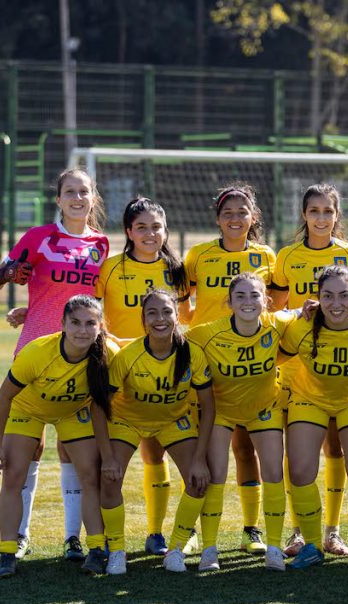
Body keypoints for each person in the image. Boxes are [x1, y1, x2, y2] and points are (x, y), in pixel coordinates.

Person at [0, 167, 110, 563]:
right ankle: (18, 536)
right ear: (58, 199)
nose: (77, 198)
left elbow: (93, 300)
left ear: (93, 198)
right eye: (69, 191)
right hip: (36, 352)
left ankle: (73, 539)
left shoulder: (102, 245)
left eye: (84, 191)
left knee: (75, 453)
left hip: (82, 355)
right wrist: (6, 276)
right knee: (30, 450)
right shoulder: (39, 238)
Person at [0, 295, 115, 578]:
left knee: (91, 476)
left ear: (100, 325)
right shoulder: (38, 352)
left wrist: (107, 456)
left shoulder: (109, 352)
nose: (82, 330)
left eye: (90, 323)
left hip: (73, 413)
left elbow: (101, 404)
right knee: (13, 475)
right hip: (28, 409)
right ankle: (8, 552)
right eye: (75, 323)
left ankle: (96, 549)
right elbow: (4, 396)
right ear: (62, 324)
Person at [269, 184, 348, 558]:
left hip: (341, 365)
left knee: (336, 445)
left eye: (328, 211)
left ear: (337, 215)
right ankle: (298, 530)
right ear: (304, 215)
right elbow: (278, 310)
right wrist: (301, 314)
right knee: (300, 450)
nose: (321, 218)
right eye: (314, 211)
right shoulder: (287, 256)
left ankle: (333, 531)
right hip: (297, 365)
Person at [279, 266, 348, 570]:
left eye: (344, 295)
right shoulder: (300, 328)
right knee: (301, 470)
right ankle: (313, 545)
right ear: (317, 298)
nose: (336, 303)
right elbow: (278, 352)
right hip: (309, 397)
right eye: (327, 296)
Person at [184, 185, 276, 556]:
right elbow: (183, 306)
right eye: (228, 213)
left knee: (246, 450)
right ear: (218, 218)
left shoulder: (267, 256)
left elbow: (274, 308)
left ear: (254, 217)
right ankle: (193, 530)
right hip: (209, 364)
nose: (235, 218)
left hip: (252, 367)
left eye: (243, 212)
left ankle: (251, 530)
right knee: (203, 452)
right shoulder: (198, 255)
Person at [95, 197, 191, 556]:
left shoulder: (176, 270)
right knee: (109, 461)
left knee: (156, 454)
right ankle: (103, 537)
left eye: (156, 227)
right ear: (128, 232)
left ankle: (155, 533)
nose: (150, 234)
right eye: (141, 227)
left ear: (165, 231)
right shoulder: (111, 268)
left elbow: (189, 316)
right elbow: (90, 309)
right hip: (120, 373)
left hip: (166, 375)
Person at [100, 290, 215, 575]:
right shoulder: (129, 356)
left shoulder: (193, 354)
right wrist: (107, 457)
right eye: (152, 313)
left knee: (199, 481)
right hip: (127, 420)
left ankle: (175, 549)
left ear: (177, 316)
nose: (160, 318)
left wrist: (200, 458)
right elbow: (100, 406)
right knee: (110, 478)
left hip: (173, 420)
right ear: (143, 320)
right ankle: (116, 551)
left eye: (166, 312)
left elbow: (208, 407)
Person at [188, 272, 293, 571]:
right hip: (222, 411)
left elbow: (301, 312)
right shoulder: (206, 333)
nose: (248, 301)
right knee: (216, 476)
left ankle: (274, 547)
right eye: (241, 296)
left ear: (266, 301)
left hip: (264, 409)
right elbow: (169, 337)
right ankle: (209, 549)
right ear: (229, 302)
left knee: (274, 473)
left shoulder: (278, 325)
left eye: (255, 295)